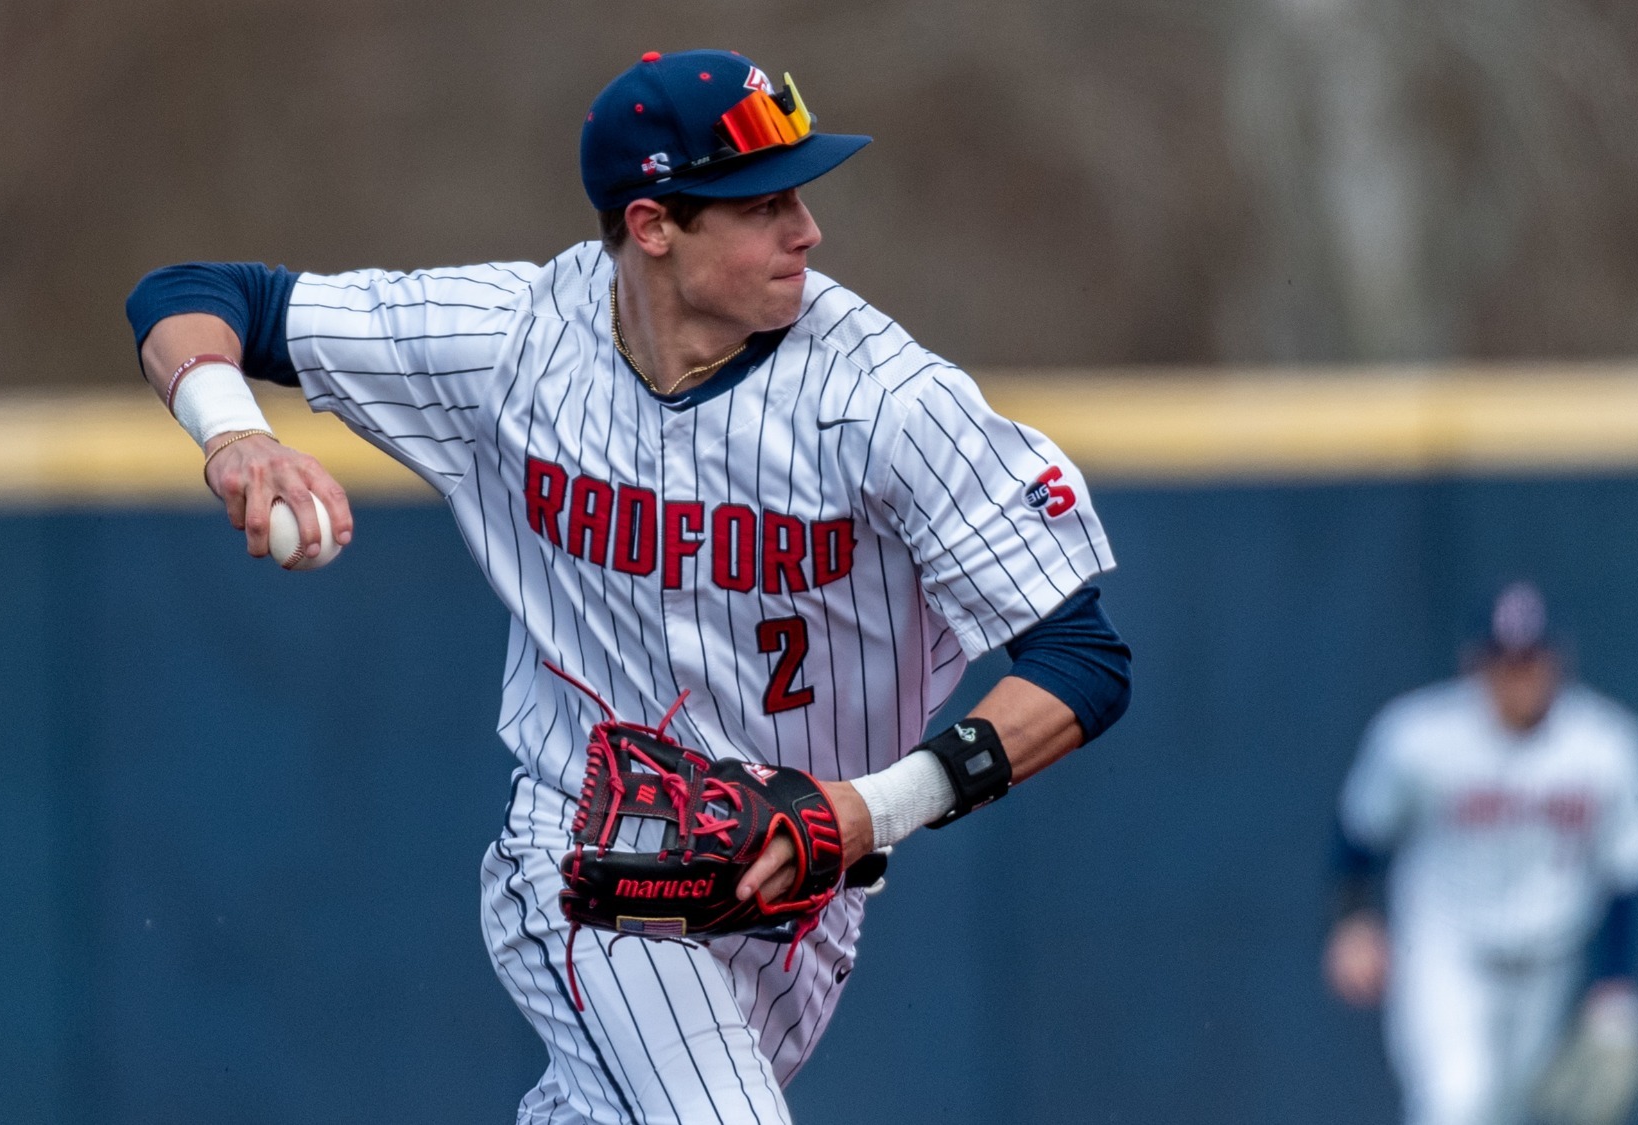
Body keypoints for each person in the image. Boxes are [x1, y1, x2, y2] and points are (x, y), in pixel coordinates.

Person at [125, 49, 1131, 1123]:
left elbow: (1081, 660)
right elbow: (194, 296)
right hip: (582, 851)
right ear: (651, 225)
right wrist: (234, 437)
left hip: (796, 880)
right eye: (760, 204)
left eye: (800, 194)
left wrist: (870, 810)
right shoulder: (514, 340)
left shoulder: (884, 401)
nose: (807, 231)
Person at [1323, 582, 1638, 1125]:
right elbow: (1361, 830)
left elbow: (1628, 871)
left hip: (1548, 961)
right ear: (1475, 664)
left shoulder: (1609, 745)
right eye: (1504, 663)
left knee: (1509, 1114)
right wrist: (1352, 919)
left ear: (1560, 661)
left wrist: (1616, 984)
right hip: (1444, 954)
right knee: (1456, 1101)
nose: (1519, 678)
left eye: (1531, 661)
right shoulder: (1419, 736)